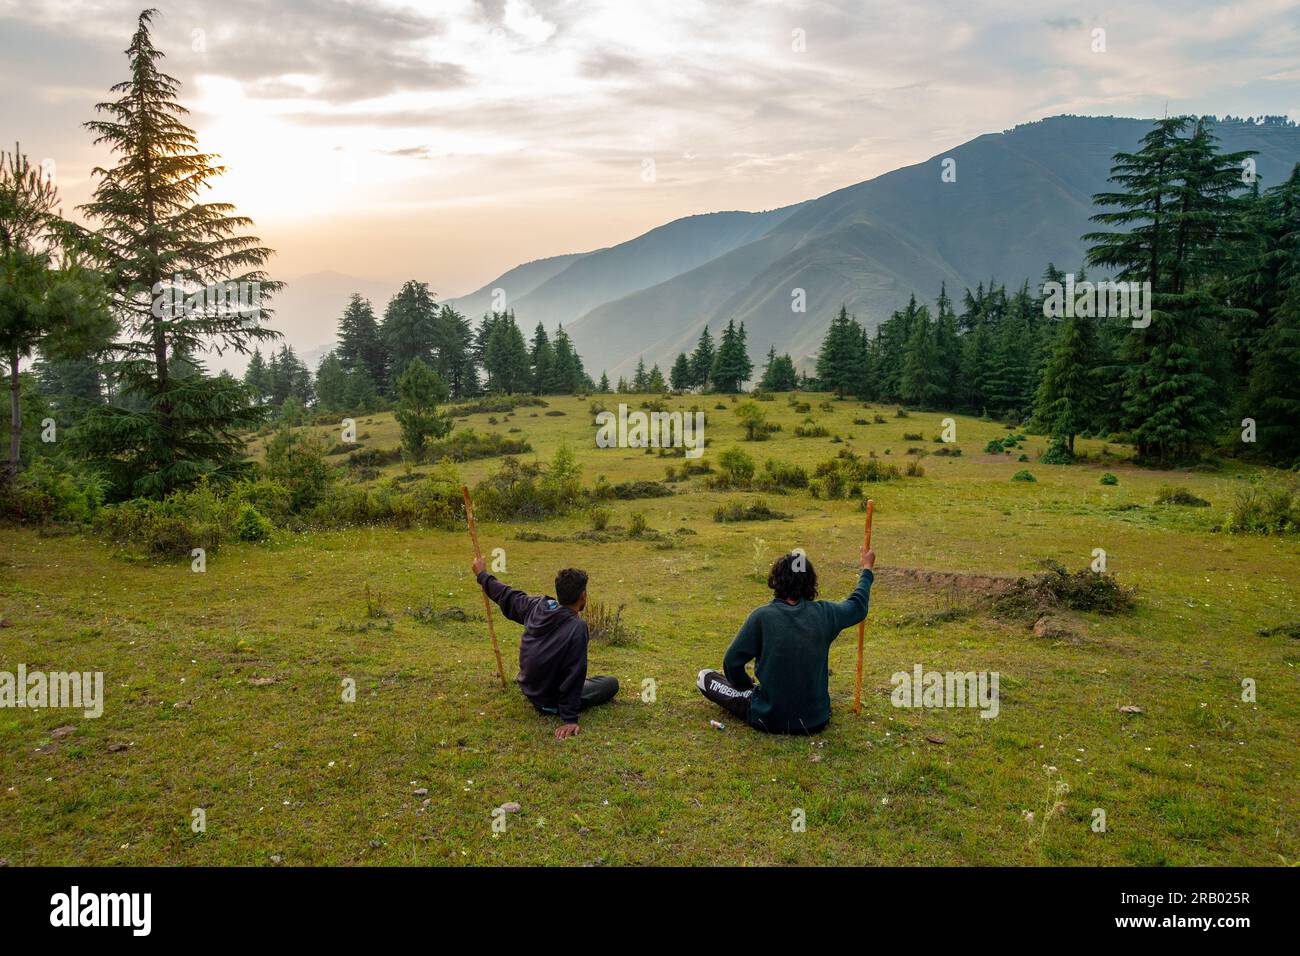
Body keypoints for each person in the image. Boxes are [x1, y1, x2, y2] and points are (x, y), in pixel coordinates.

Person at [696, 544, 874, 734]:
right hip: (816, 720)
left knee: (705, 676)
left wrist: (745, 684)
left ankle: (753, 695)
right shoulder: (826, 613)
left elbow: (731, 662)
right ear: (810, 582)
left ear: (776, 581)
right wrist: (867, 569)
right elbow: (858, 605)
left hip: (768, 718)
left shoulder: (761, 616)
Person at [472, 557, 618, 739]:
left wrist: (482, 575)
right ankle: (564, 703)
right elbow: (575, 672)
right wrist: (569, 718)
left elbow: (506, 595)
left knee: (587, 680)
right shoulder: (577, 627)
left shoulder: (538, 606)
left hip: (530, 690)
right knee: (611, 683)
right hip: (549, 701)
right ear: (583, 596)